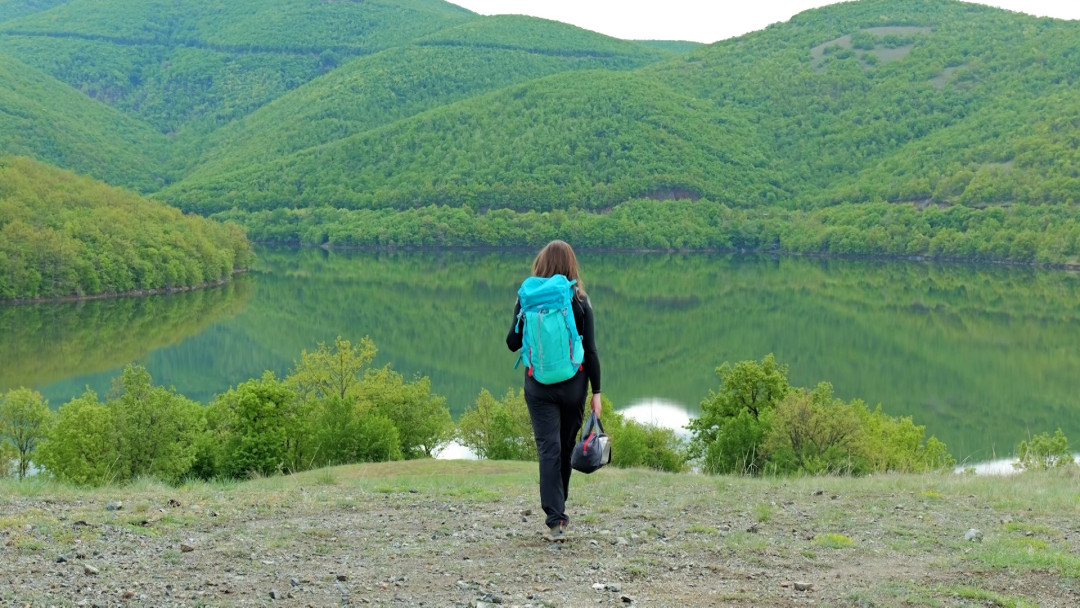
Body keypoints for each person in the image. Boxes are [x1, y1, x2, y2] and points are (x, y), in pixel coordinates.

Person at [506, 240, 602, 542]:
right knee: (564, 447)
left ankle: (555, 519)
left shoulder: (527, 299)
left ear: (541, 263)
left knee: (549, 450)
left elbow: (511, 342)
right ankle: (560, 510)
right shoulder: (580, 301)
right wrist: (596, 393)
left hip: (538, 386)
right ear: (571, 266)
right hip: (574, 386)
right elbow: (590, 351)